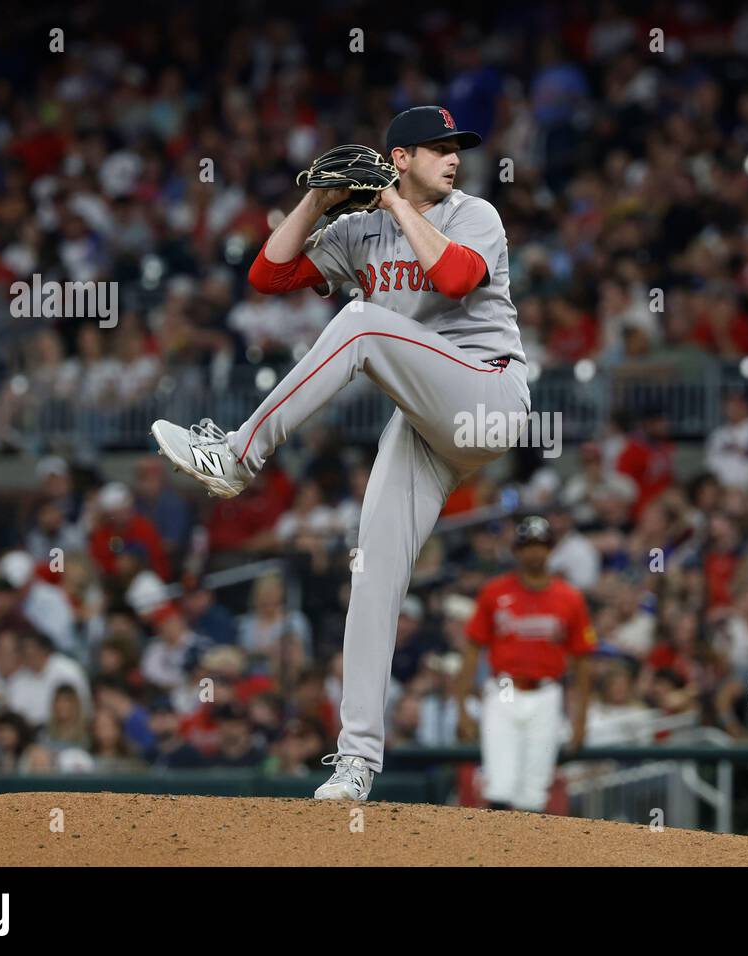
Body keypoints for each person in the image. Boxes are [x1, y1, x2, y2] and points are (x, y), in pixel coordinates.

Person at [151, 106, 529, 801]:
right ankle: (355, 763)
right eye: (438, 148)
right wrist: (319, 199)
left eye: (457, 147)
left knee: (358, 324)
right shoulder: (360, 232)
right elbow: (269, 276)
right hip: (425, 424)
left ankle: (238, 455)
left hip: (488, 398)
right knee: (373, 574)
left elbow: (451, 281)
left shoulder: (475, 215)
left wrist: (390, 197)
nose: (453, 157)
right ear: (402, 155)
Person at [453, 516, 596, 812]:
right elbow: (472, 649)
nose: (534, 552)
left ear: (550, 549)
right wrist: (462, 706)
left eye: (541, 545)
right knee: (500, 786)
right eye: (528, 545)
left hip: (547, 691)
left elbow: (582, 661)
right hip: (504, 688)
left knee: (533, 794)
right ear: (517, 551)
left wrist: (581, 718)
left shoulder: (570, 597)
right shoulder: (494, 592)